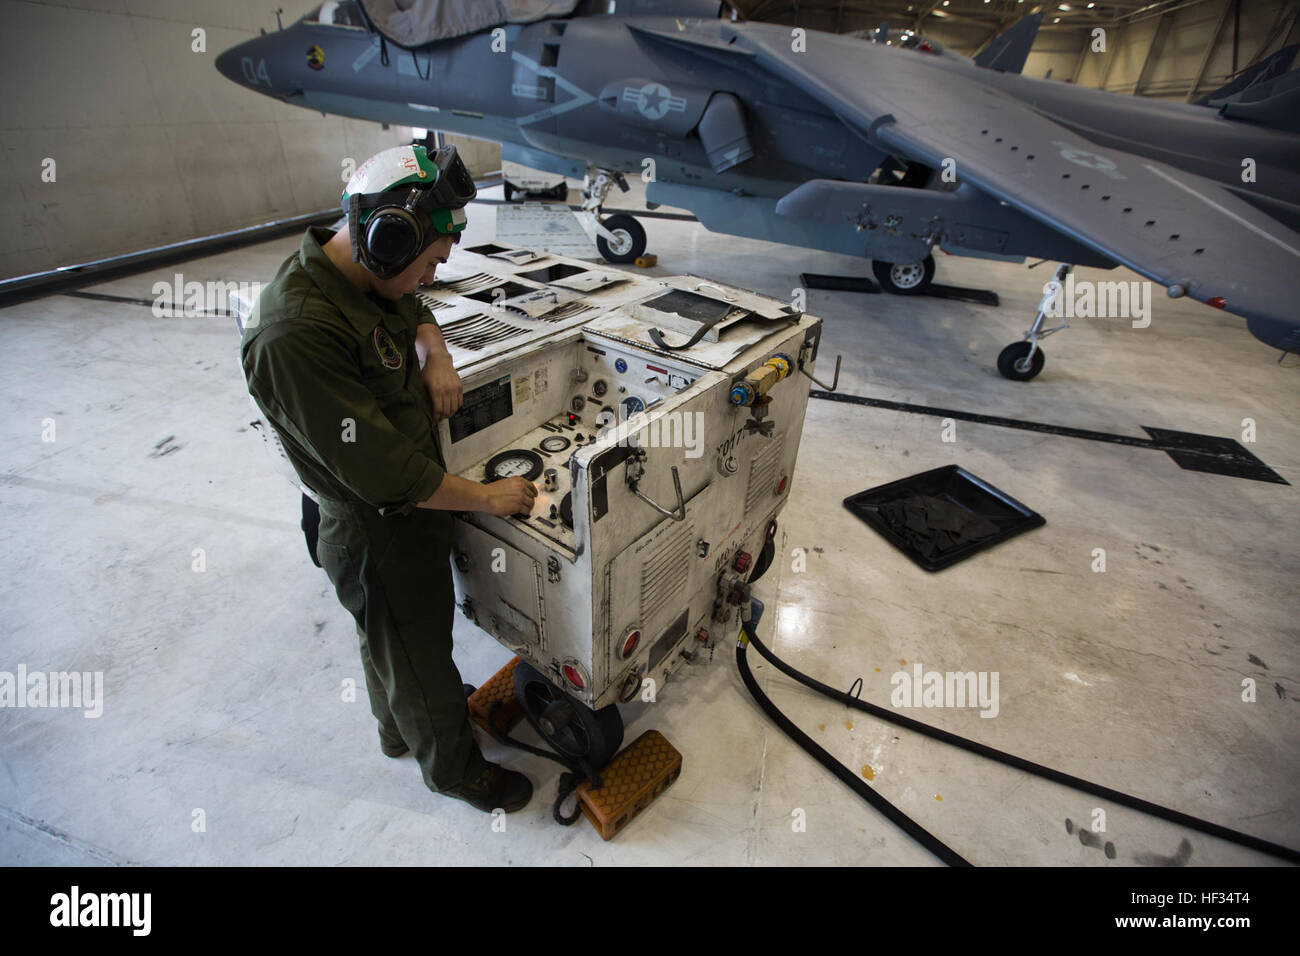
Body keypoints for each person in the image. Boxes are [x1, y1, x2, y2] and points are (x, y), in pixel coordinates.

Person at [240, 143, 537, 813]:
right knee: (417, 651)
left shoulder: (359, 277)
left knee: (395, 645)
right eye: (429, 264)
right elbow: (386, 474)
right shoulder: (294, 332)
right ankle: (456, 770)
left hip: (404, 516)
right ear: (387, 240)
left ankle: (400, 729)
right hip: (377, 529)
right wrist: (487, 498)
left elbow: (411, 310)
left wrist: (437, 354)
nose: (430, 278)